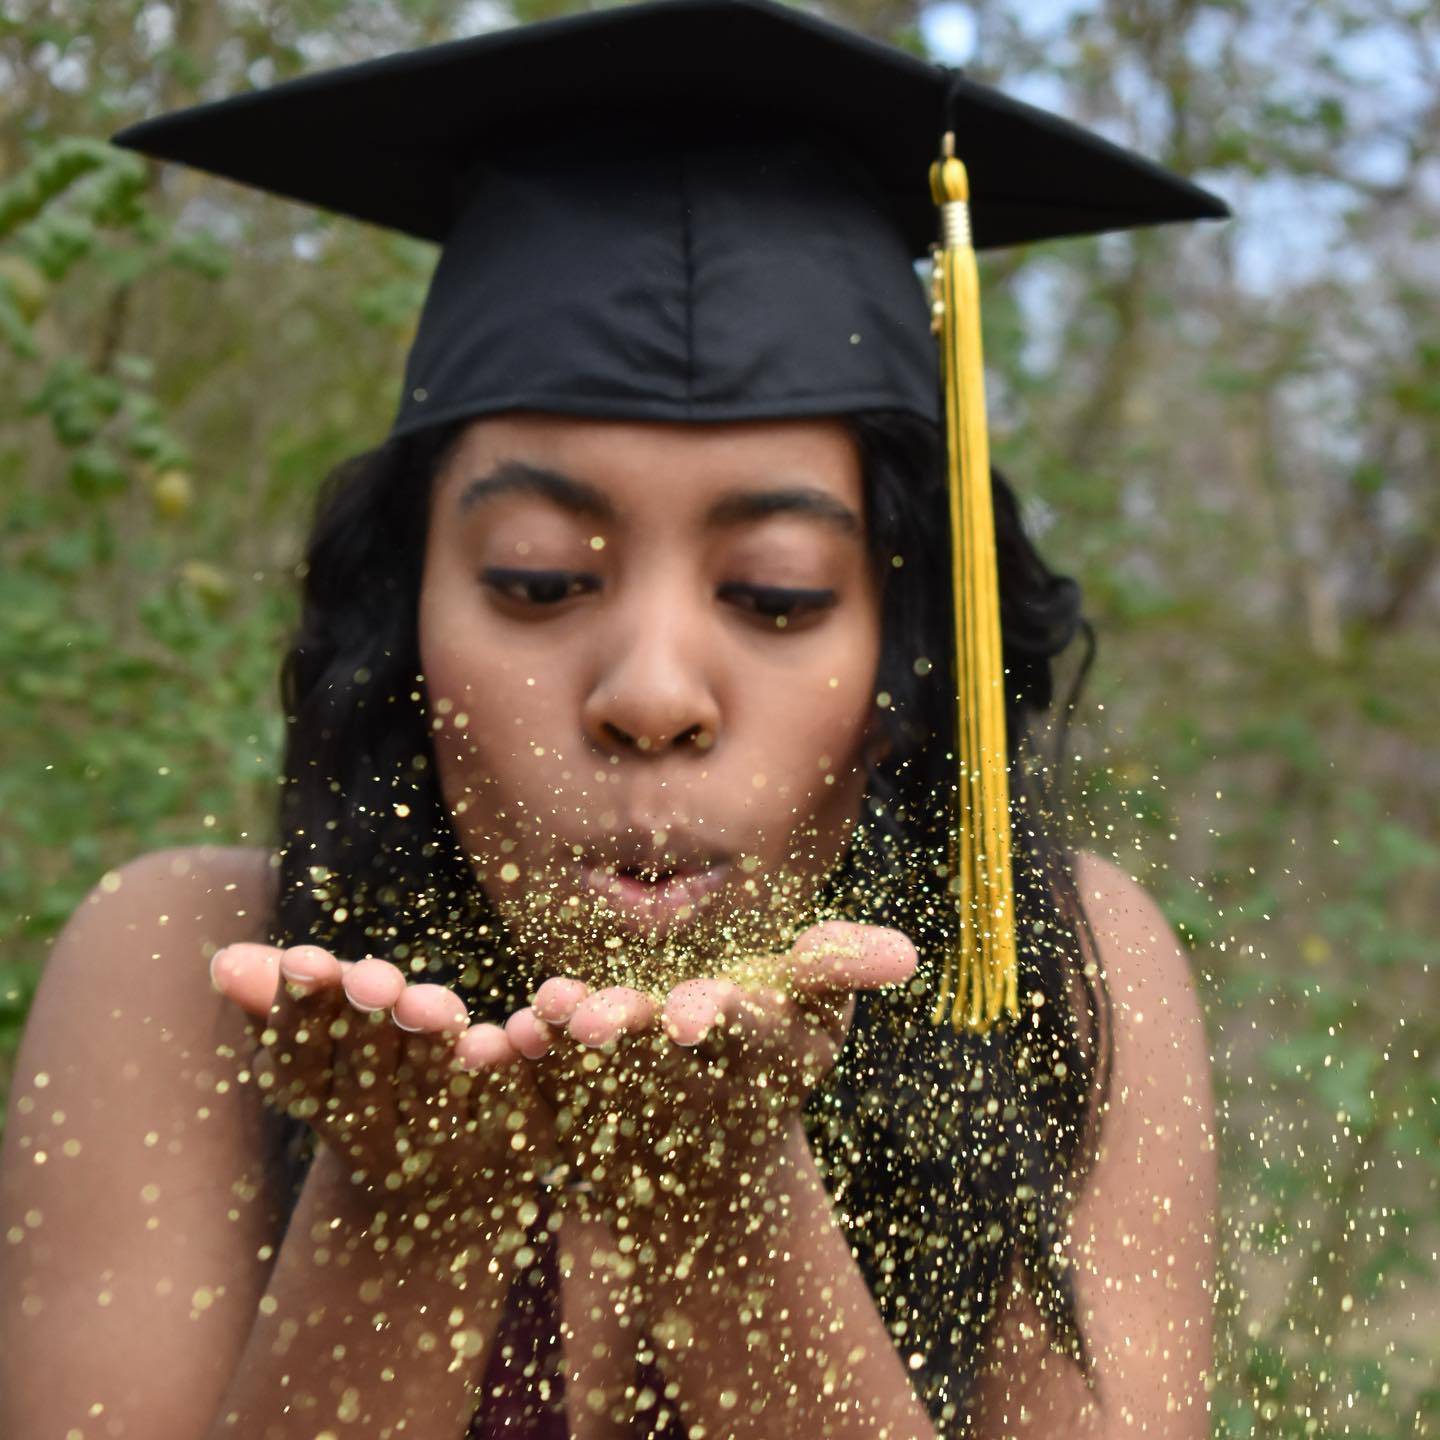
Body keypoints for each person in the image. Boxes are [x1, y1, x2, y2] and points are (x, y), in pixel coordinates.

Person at [0, 2, 1223, 1436]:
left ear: (904, 667)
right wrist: (408, 1210)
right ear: (407, 632)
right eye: (537, 580)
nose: (650, 692)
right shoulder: (190, 981)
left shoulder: (1046, 993)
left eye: (774, 597)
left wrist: (726, 1196)